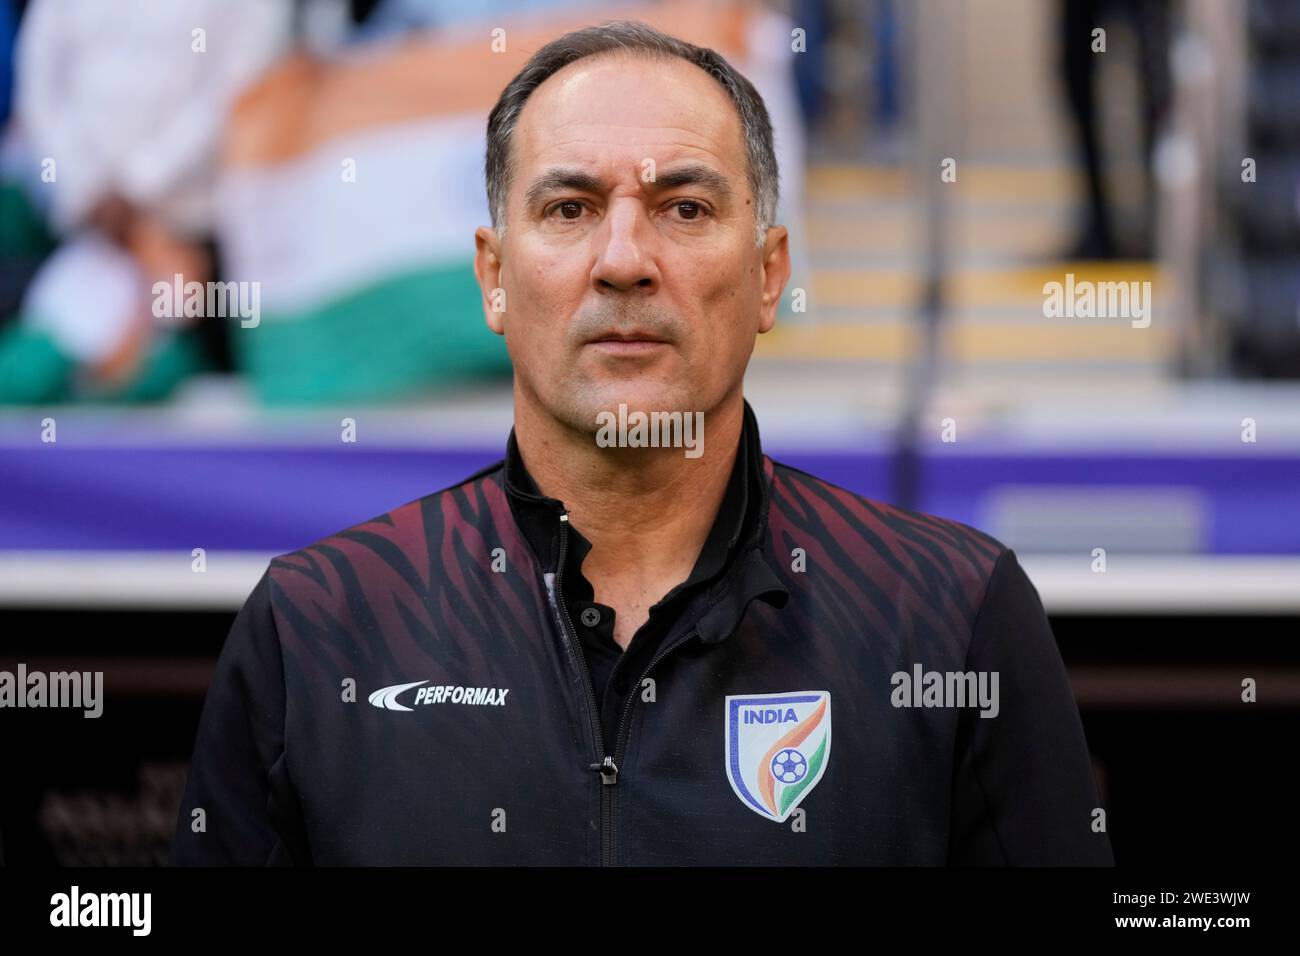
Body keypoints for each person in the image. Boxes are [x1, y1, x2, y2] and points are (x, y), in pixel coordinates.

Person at [172, 20, 1112, 866]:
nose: (624, 260)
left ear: (769, 275)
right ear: (494, 279)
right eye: (570, 209)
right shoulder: (318, 625)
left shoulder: (951, 617)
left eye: (686, 210)